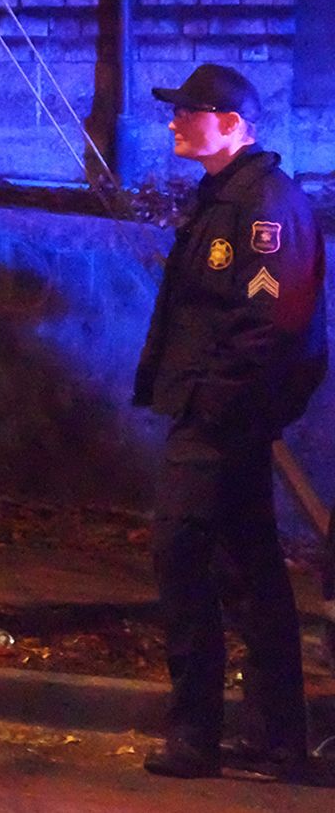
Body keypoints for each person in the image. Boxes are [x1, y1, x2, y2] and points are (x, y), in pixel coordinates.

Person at [133, 63, 327, 780]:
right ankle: (279, 739)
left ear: (233, 124)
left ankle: (197, 733)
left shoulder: (263, 202)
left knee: (181, 557)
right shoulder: (227, 194)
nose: (177, 120)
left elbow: (268, 319)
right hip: (216, 410)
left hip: (221, 417)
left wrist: (217, 399)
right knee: (248, 568)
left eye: (192, 110)